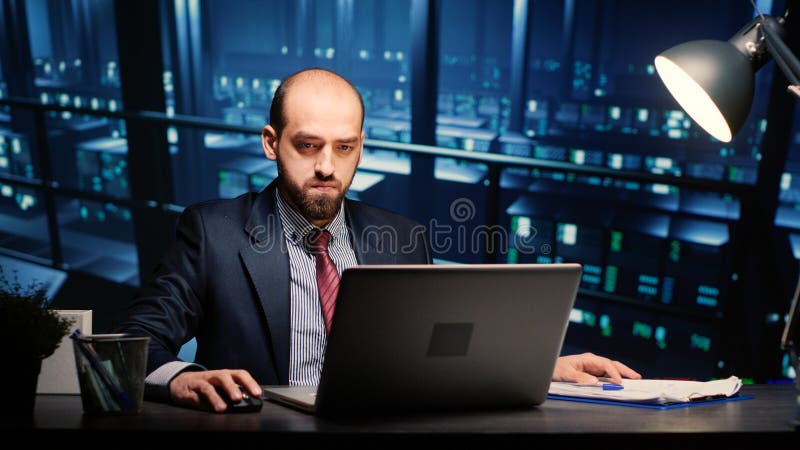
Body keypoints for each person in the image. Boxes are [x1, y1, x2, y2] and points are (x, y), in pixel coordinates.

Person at [115, 68, 640, 413]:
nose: (327, 166)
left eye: (344, 148)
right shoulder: (212, 231)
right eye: (308, 145)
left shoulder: (403, 239)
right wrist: (182, 378)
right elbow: (138, 342)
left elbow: (440, 359)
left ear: (361, 146)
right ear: (272, 145)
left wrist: (540, 367)